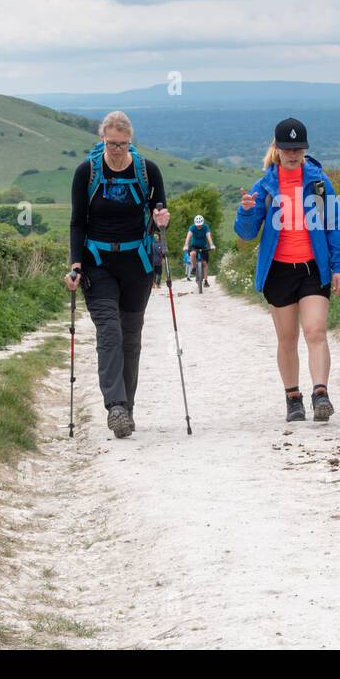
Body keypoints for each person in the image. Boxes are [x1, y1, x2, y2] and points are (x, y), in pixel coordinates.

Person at [234, 117, 340, 423]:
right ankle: (293, 397)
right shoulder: (265, 186)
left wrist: (339, 266)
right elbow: (246, 233)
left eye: (298, 148)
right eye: (287, 148)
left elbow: (334, 225)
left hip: (313, 270)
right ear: (277, 149)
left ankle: (320, 393)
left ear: (305, 149)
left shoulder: (320, 183)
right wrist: (245, 212)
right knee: (287, 339)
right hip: (279, 272)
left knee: (315, 330)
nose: (293, 153)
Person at [65, 111, 169, 439]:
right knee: (109, 330)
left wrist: (161, 218)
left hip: (137, 264)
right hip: (99, 262)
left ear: (131, 142)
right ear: (102, 140)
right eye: (111, 144)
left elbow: (158, 212)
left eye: (123, 145)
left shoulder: (148, 171)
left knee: (131, 336)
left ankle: (128, 407)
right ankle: (115, 406)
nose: (117, 151)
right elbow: (77, 221)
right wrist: (76, 263)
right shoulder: (87, 172)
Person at [184, 214, 215, 286]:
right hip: (194, 246)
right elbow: (188, 237)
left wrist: (212, 245)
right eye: (197, 225)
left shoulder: (205, 227)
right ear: (195, 224)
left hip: (204, 247)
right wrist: (186, 245)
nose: (199, 226)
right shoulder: (192, 227)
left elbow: (208, 236)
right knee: (192, 254)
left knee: (205, 263)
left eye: (200, 225)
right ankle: (194, 267)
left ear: (202, 223)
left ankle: (206, 281)